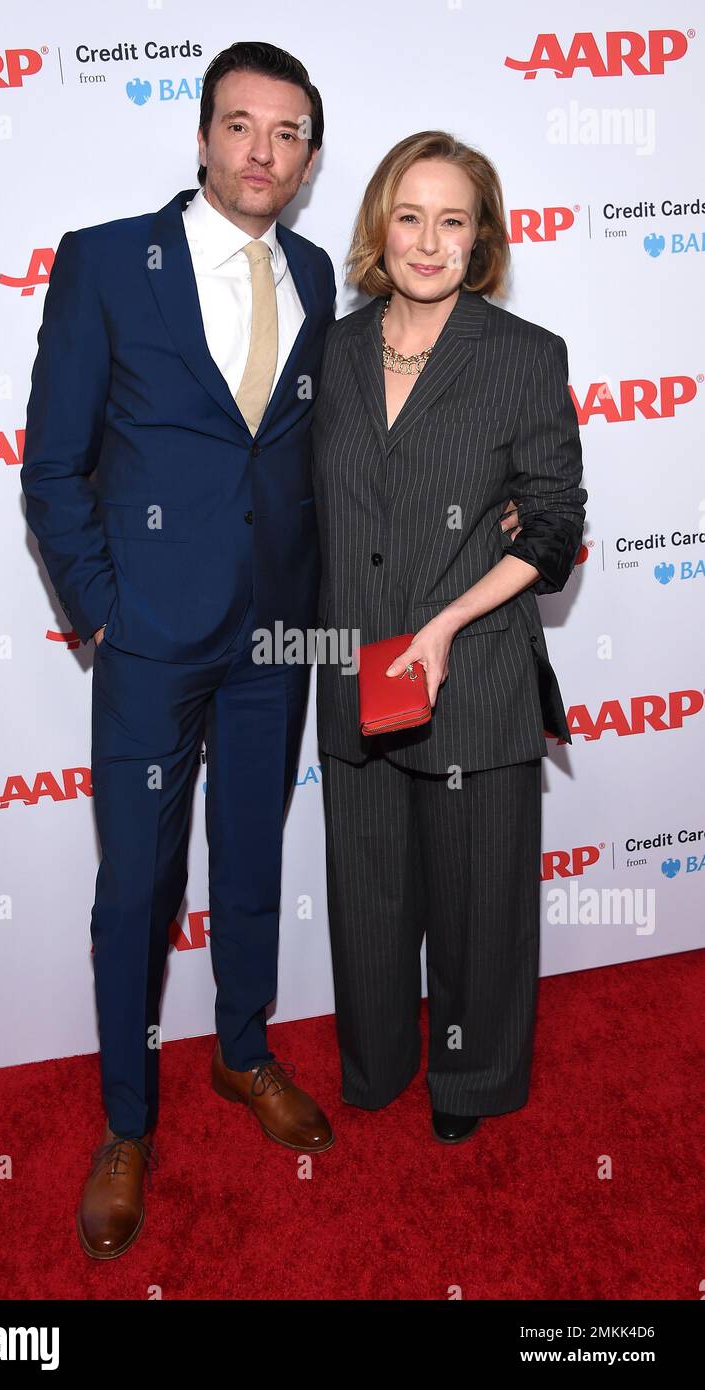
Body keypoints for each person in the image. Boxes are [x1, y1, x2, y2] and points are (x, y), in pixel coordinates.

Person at [20, 41, 337, 1261]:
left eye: (288, 132)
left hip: (276, 632)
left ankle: (244, 1053)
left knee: (251, 852)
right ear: (202, 137)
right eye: (242, 126)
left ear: (308, 156)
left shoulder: (312, 272)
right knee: (136, 890)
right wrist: (101, 613)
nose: (263, 152)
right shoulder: (105, 261)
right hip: (150, 640)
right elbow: (54, 465)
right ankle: (124, 1121)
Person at [311, 130, 587, 1143]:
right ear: (380, 224)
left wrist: (448, 621)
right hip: (354, 673)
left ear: (481, 244)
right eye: (410, 215)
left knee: (478, 904)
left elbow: (553, 520)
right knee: (369, 894)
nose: (427, 241)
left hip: (469, 670)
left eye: (453, 220)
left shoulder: (522, 357)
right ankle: (377, 1066)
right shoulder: (329, 352)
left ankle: (467, 1083)